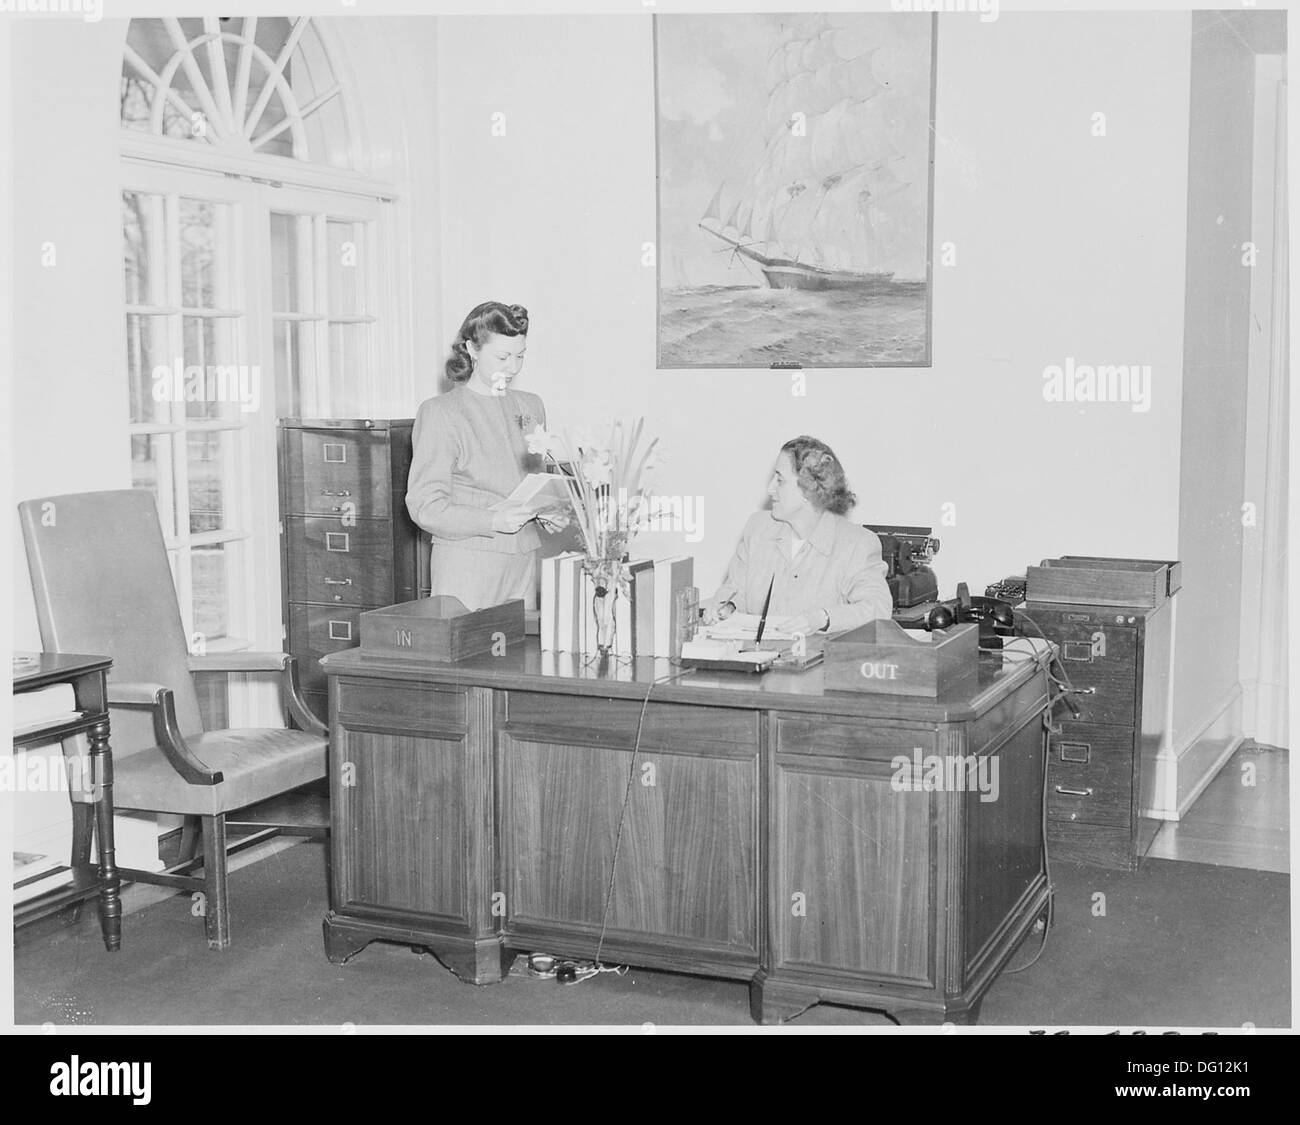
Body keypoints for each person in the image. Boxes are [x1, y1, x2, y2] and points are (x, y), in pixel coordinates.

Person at [406, 301, 555, 611]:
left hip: (523, 565)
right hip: (468, 566)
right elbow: (424, 507)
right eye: (502, 357)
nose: (512, 368)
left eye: (520, 356)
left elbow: (536, 482)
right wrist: (493, 520)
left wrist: (550, 512)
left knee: (519, 658)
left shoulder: (532, 406)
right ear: (472, 349)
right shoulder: (440, 413)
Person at [701, 435, 893, 636]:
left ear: (807, 489)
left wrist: (822, 618)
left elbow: (877, 609)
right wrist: (725, 606)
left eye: (780, 480)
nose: (770, 489)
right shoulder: (757, 528)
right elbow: (734, 590)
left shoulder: (857, 544)